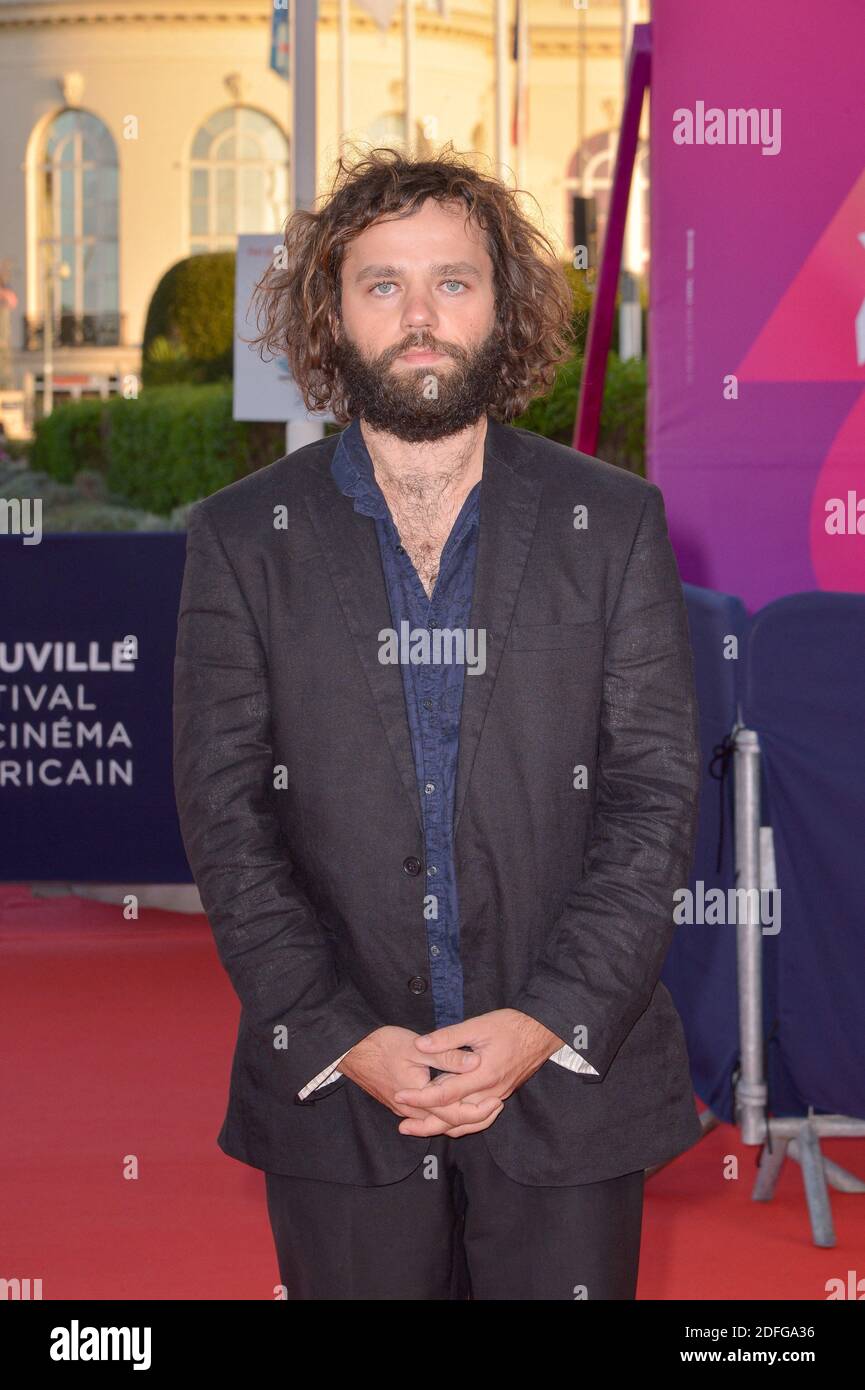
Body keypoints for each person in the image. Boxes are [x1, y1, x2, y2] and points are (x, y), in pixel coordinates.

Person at [172, 145, 703, 1301]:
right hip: (338, 1097)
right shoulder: (238, 539)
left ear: (500, 304)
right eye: (382, 285)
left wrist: (546, 1018)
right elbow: (225, 823)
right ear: (330, 314)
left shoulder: (609, 525)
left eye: (452, 282)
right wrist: (336, 1034)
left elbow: (653, 797)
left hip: (567, 1085)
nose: (420, 317)